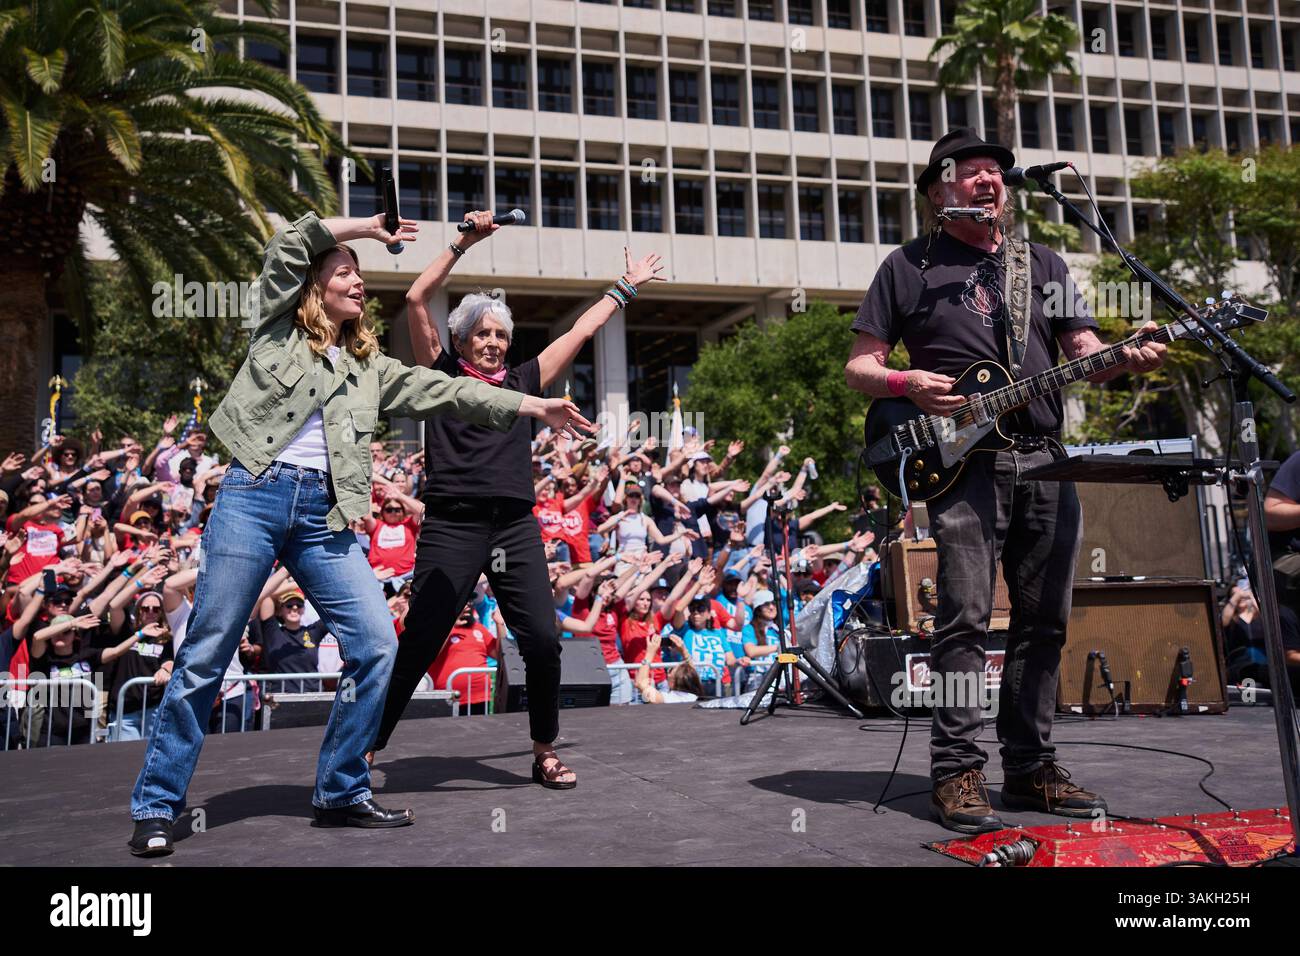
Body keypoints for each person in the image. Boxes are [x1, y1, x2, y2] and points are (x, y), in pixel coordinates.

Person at [127, 210, 589, 857]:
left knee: (376, 644)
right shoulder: (277, 325)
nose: (357, 280)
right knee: (205, 653)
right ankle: (157, 805)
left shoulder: (367, 367)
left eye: (360, 273)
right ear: (316, 283)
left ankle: (341, 789)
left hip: (324, 515)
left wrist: (533, 404)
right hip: (253, 497)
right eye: (344, 270)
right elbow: (292, 241)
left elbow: (447, 391)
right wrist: (368, 230)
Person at [844, 128, 1167, 834]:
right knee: (962, 617)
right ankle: (957, 769)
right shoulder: (909, 266)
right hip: (965, 463)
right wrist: (908, 381)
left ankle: (1029, 765)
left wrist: (1128, 354)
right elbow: (860, 367)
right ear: (939, 192)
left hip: (1048, 458)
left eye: (999, 172)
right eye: (973, 172)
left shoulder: (1040, 264)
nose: (991, 181)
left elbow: (1084, 353)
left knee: (1044, 619)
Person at [373, 210, 662, 788]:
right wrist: (462, 243)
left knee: (544, 643)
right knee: (419, 640)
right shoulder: (440, 372)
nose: (492, 342)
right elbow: (415, 295)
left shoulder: (523, 382)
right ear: (461, 339)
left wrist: (624, 288)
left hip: (513, 528)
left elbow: (578, 333)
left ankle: (544, 749)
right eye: (482, 332)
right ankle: (367, 750)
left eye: (500, 334)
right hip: (452, 525)